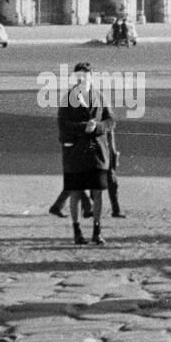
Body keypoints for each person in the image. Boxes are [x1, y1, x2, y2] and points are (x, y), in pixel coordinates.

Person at [56, 62, 114, 245]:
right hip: (75, 152)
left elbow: (111, 120)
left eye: (85, 75)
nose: (81, 78)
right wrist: (83, 128)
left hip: (97, 152)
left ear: (91, 76)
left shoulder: (100, 97)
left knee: (98, 193)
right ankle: (77, 231)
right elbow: (62, 125)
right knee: (75, 193)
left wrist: (97, 127)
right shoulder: (68, 99)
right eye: (78, 75)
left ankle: (97, 231)